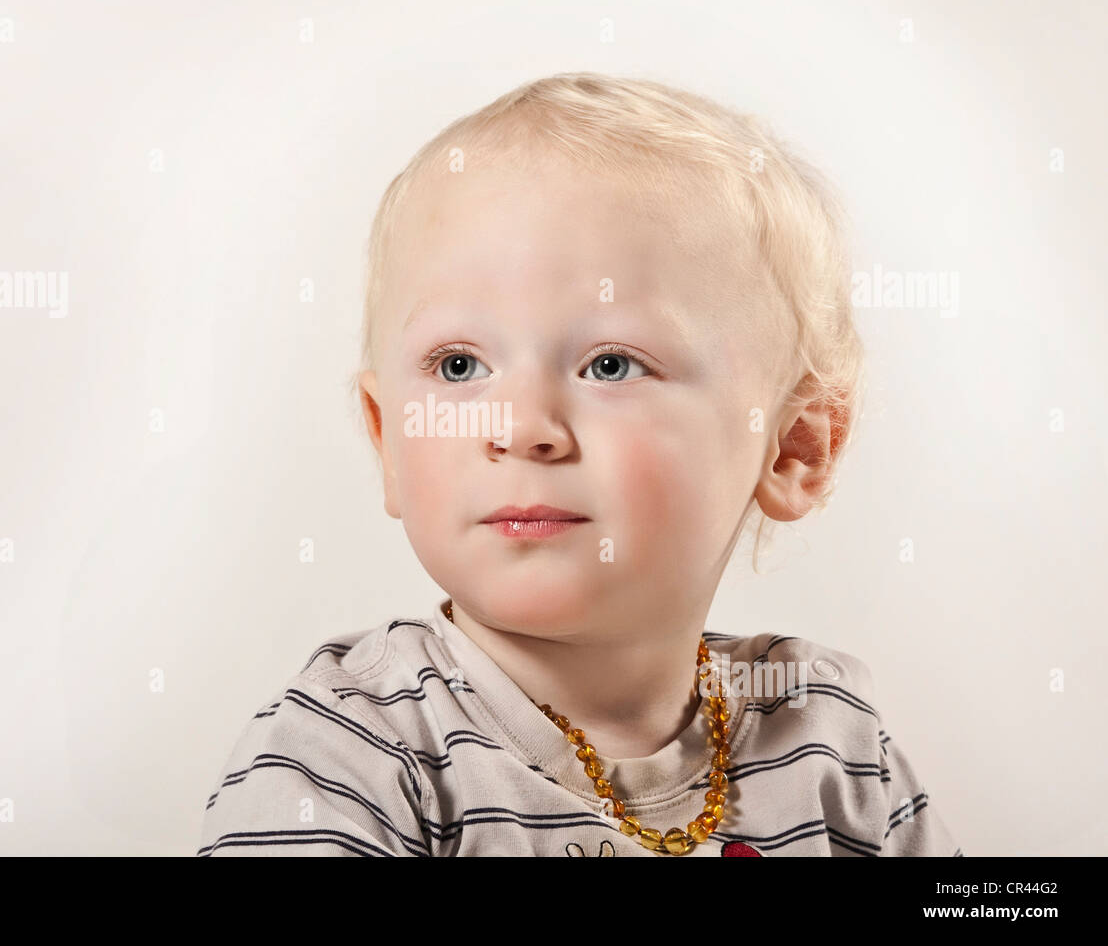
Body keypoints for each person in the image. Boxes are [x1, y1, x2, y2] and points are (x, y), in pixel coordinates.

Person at [197, 71, 961, 857]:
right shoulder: (350, 755)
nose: (522, 428)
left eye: (611, 365)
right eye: (459, 366)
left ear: (795, 448)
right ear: (387, 438)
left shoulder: (829, 740)